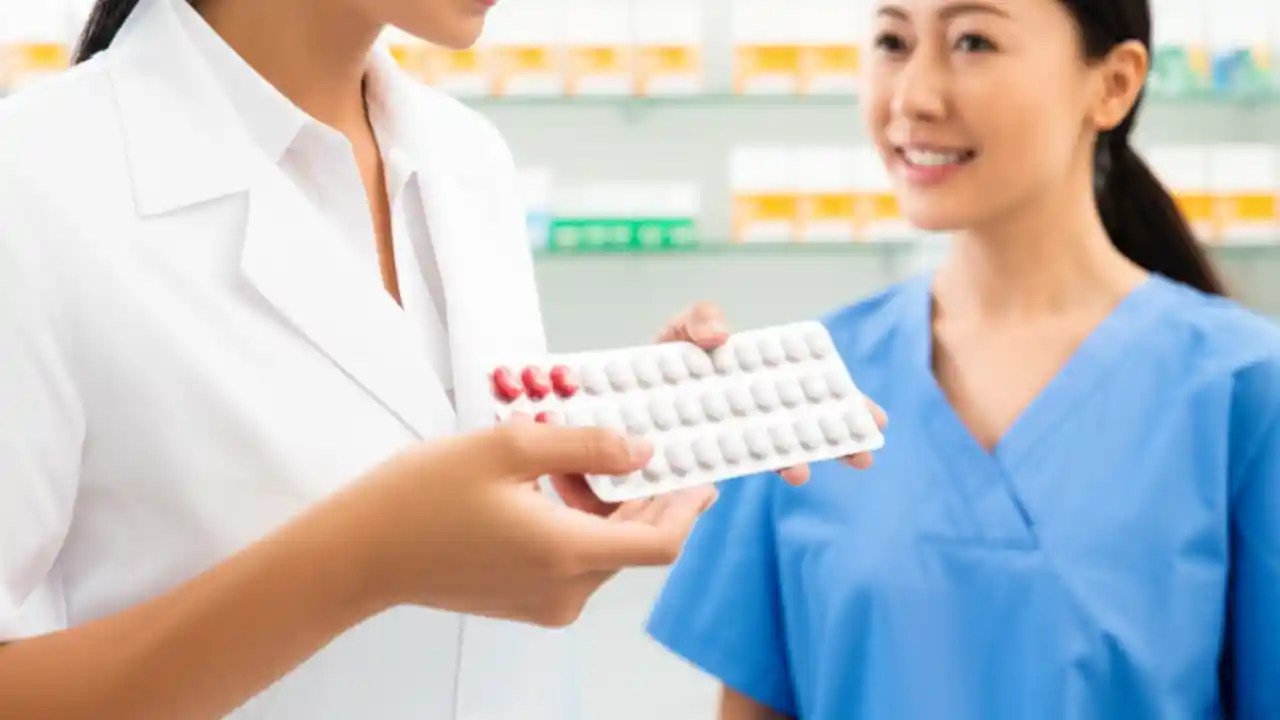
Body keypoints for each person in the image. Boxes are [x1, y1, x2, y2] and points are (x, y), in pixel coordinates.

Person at [0, 0, 884, 717]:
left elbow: (423, 471)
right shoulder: (32, 184)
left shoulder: (464, 158)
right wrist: (365, 558)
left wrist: (606, 444)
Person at [647, 0, 1280, 718]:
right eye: (892, 41)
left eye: (973, 41)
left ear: (1113, 84)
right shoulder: (804, 392)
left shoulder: (1243, 388)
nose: (914, 97)